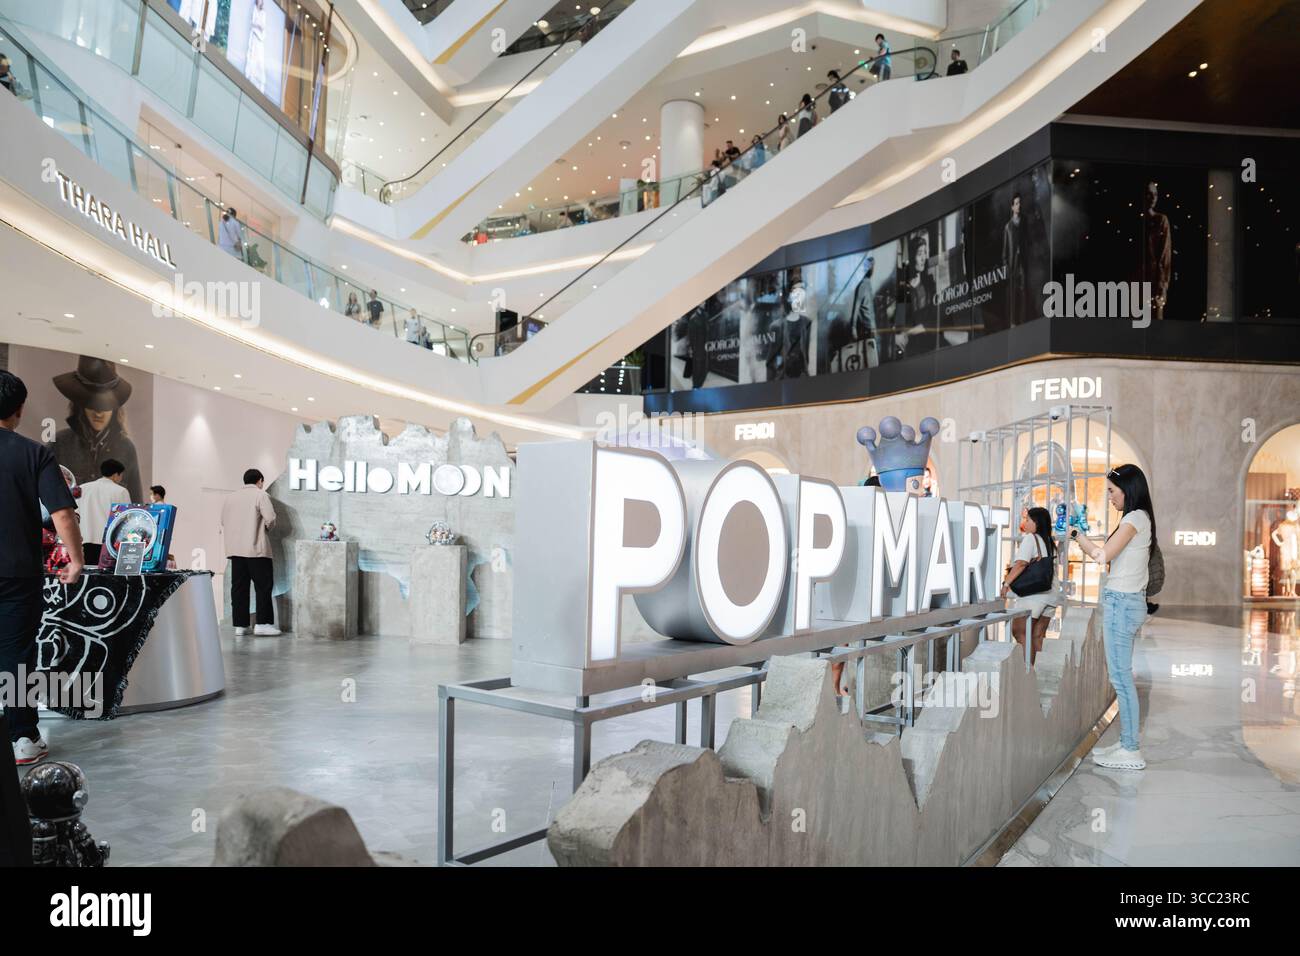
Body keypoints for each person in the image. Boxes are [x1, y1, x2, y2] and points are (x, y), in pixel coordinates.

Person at [0, 370, 84, 779]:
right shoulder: (35, 453)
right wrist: (76, 558)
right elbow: (62, 512)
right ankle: (22, 736)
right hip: (17, 571)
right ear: (18, 411)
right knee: (17, 653)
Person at [1072, 464, 1156, 771]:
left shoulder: (1135, 518)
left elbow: (1102, 556)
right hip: (1122, 601)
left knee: (1121, 679)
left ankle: (1131, 750)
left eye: (1111, 491)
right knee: (1119, 678)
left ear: (1128, 489)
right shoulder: (1137, 519)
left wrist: (1076, 534)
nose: (1109, 497)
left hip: (1123, 603)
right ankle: (1125, 743)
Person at [49, 355, 143, 502]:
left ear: (114, 407)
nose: (98, 413)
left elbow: (136, 506)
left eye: (104, 406)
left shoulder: (127, 448)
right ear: (80, 404)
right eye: (92, 405)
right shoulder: (59, 444)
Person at [220, 468, 280, 637]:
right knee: (263, 586)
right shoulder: (260, 495)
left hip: (235, 551)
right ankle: (262, 624)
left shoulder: (230, 497)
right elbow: (270, 518)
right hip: (256, 549)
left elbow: (223, 521)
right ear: (260, 480)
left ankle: (241, 625)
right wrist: (266, 530)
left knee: (239, 588)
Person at [1001, 506, 1057, 665]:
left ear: (1036, 523)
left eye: (1028, 520)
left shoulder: (1031, 538)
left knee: (1020, 631)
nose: (1025, 522)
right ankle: (1038, 678)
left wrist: (1006, 584)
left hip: (1035, 595)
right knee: (1038, 636)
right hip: (1051, 594)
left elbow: (1021, 564)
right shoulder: (1049, 542)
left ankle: (1026, 677)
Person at [77, 458, 131, 566]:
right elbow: (127, 519)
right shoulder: (120, 491)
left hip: (83, 542)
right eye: (121, 475)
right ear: (116, 475)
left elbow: (75, 515)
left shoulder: (82, 488)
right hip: (108, 545)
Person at [1002, 192, 1028, 327]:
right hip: (1013, 266)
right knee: (1013, 295)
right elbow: (1004, 252)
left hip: (1023, 264)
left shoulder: (1025, 222)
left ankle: (1024, 321)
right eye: (1016, 203)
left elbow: (1028, 242)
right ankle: (1013, 322)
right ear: (1012, 207)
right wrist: (1007, 267)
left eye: (1020, 203)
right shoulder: (1008, 227)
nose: (1019, 205)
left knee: (1024, 292)